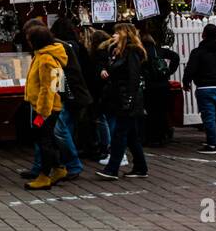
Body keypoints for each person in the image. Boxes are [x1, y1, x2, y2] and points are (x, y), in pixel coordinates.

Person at [97, 24, 149, 180]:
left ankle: (112, 168)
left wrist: (130, 99)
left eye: (117, 33)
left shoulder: (131, 52)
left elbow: (133, 77)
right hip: (122, 97)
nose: (113, 36)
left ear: (125, 34)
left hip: (127, 98)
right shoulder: (117, 52)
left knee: (120, 134)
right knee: (131, 135)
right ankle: (140, 167)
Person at [22, 23, 69, 190]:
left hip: (46, 108)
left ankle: (44, 175)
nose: (28, 42)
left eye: (29, 39)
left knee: (44, 141)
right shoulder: (42, 55)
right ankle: (58, 168)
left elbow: (48, 88)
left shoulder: (46, 59)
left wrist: (42, 112)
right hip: (46, 107)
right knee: (45, 139)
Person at [49, 16, 92, 181]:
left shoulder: (62, 48)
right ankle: (68, 163)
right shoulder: (76, 46)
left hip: (69, 95)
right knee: (67, 128)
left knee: (60, 129)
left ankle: (72, 164)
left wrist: (57, 93)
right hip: (78, 94)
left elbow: (61, 73)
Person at [182, 23, 216, 155]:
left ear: (203, 34)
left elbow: (190, 69)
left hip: (204, 87)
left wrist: (186, 82)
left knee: (209, 117)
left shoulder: (198, 52)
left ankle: (212, 144)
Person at [138, 25, 179, 147]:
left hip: (149, 86)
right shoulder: (159, 50)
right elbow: (175, 57)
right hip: (163, 84)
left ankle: (151, 137)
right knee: (161, 111)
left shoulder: (141, 52)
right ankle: (162, 136)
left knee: (150, 112)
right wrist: (169, 71)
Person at [82, 28, 113, 164]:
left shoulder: (99, 53)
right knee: (107, 119)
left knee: (101, 119)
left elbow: (98, 71)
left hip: (99, 90)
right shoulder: (110, 51)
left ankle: (106, 147)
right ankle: (109, 147)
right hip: (106, 90)